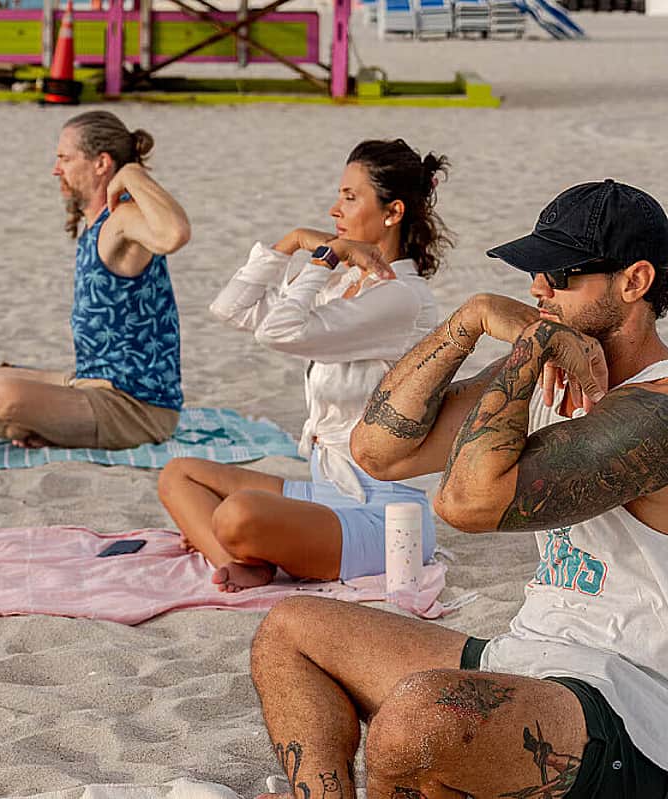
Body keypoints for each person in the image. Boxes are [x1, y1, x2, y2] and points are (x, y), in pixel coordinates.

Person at [250, 180, 668, 799]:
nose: (537, 289)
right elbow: (376, 450)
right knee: (289, 631)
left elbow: (468, 503)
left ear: (634, 281)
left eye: (559, 274)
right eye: (534, 270)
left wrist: (530, 351)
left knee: (419, 719)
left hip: (640, 717)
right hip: (532, 660)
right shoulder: (544, 378)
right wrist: (471, 318)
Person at [157, 139, 451, 593]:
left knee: (238, 514)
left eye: (350, 198)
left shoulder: (399, 298)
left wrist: (325, 256)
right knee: (179, 474)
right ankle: (238, 564)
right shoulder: (346, 282)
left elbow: (279, 331)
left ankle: (248, 546)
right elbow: (231, 309)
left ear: (392, 213)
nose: (335, 210)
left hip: (381, 518)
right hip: (322, 492)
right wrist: (292, 241)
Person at [0, 112, 190, 450]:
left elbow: (175, 233)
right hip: (94, 381)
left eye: (65, 158)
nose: (55, 169)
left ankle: (9, 428)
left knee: (2, 397)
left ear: (101, 163)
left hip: (135, 409)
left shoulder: (122, 218)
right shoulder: (97, 223)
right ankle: (30, 425)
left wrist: (132, 174)